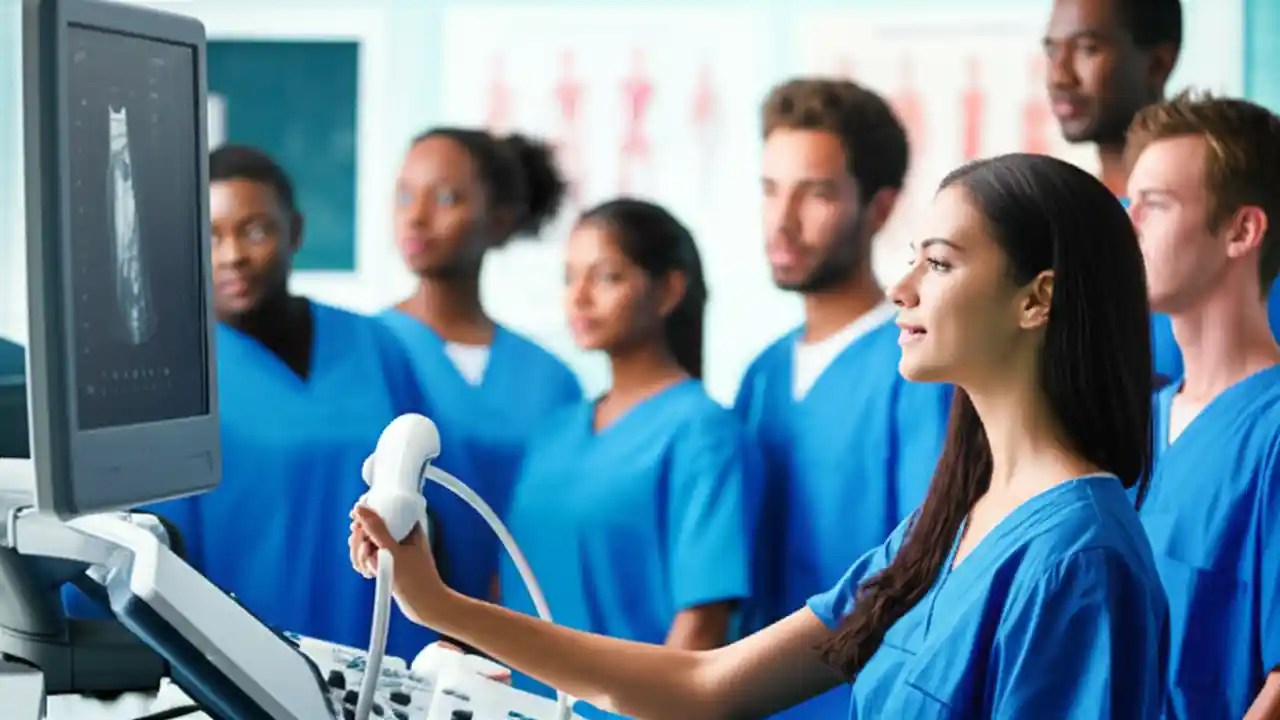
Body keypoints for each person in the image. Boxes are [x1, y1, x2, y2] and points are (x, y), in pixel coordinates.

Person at [350, 152, 1169, 719]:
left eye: (942, 264)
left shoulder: (1078, 563)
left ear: (1037, 299)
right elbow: (707, 687)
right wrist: (437, 603)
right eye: (911, 258)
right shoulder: (946, 529)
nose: (901, 287)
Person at [109, 145, 461, 662]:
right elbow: (150, 552)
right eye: (210, 235)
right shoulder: (170, 375)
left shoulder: (376, 346)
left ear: (294, 231)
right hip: (247, 662)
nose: (233, 254)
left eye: (254, 230)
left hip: (394, 649)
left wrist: (453, 635)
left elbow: (442, 509)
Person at [732, 76, 952, 719]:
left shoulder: (919, 368)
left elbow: (929, 568)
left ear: (879, 208)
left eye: (816, 193)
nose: (783, 218)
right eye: (770, 189)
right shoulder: (762, 376)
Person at [497, 199, 758, 713]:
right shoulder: (554, 432)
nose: (580, 296)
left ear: (668, 290)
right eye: (570, 277)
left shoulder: (703, 432)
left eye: (607, 277)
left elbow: (702, 623)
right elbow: (505, 581)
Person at [378, 128, 582, 605]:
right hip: (391, 619)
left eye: (446, 198)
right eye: (405, 195)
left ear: (500, 220)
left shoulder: (552, 381)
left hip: (521, 633)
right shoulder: (366, 351)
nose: (416, 217)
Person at [1125, 93, 1280, 720]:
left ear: (1241, 230)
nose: (1125, 226)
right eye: (1127, 205)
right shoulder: (1134, 426)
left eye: (1153, 206)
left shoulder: (1270, 432)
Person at [1042, 0, 1198, 388]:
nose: (1060, 75)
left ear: (1157, 63)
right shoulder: (1062, 215)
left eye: (1087, 48)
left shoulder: (1214, 213)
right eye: (1051, 49)